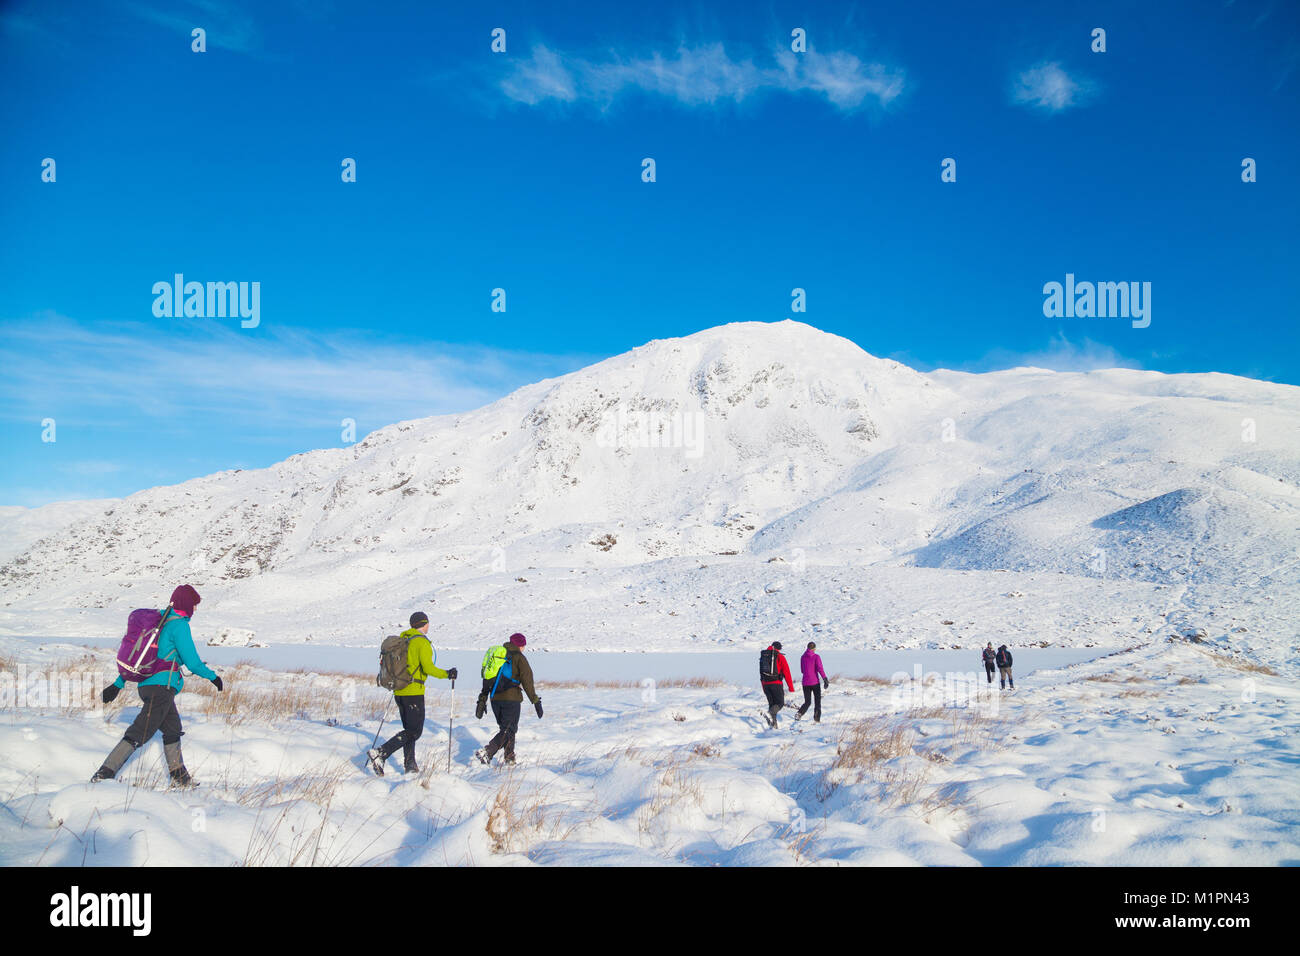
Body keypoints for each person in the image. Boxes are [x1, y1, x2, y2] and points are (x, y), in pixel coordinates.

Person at [91, 585, 220, 788]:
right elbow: (192, 662)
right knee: (140, 731)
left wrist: (117, 684)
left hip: (148, 686)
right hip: (162, 688)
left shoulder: (160, 621)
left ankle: (180, 778)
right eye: (194, 605)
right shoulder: (179, 626)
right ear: (187, 604)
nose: (195, 609)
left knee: (172, 730)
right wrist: (213, 678)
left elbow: (141, 656)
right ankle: (104, 774)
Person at [367, 611, 457, 776]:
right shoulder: (421, 643)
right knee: (415, 732)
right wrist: (447, 673)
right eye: (428, 623)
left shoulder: (404, 639)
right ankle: (381, 753)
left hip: (399, 691)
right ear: (424, 624)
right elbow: (428, 668)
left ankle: (410, 765)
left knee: (409, 730)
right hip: (414, 692)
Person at [474, 633, 541, 766]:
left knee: (506, 729)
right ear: (520, 645)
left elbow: (487, 678)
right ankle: (488, 751)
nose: (524, 648)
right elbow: (527, 680)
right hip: (511, 699)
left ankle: (509, 758)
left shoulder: (497, 656)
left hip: (495, 699)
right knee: (509, 729)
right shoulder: (519, 658)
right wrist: (535, 700)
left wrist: (483, 699)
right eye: (523, 645)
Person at [760, 641, 794, 728]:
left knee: (772, 705)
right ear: (779, 648)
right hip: (776, 683)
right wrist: (791, 687)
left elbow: (761, 672)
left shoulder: (763, 656)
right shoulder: (780, 656)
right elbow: (787, 672)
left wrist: (763, 685)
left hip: (765, 684)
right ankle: (769, 714)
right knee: (780, 703)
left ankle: (773, 726)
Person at [795, 641, 829, 722]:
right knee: (817, 702)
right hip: (815, 683)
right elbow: (820, 669)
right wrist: (825, 679)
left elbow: (802, 670)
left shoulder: (802, 657)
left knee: (807, 702)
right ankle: (816, 720)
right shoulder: (816, 656)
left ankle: (799, 713)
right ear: (814, 648)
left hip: (805, 683)